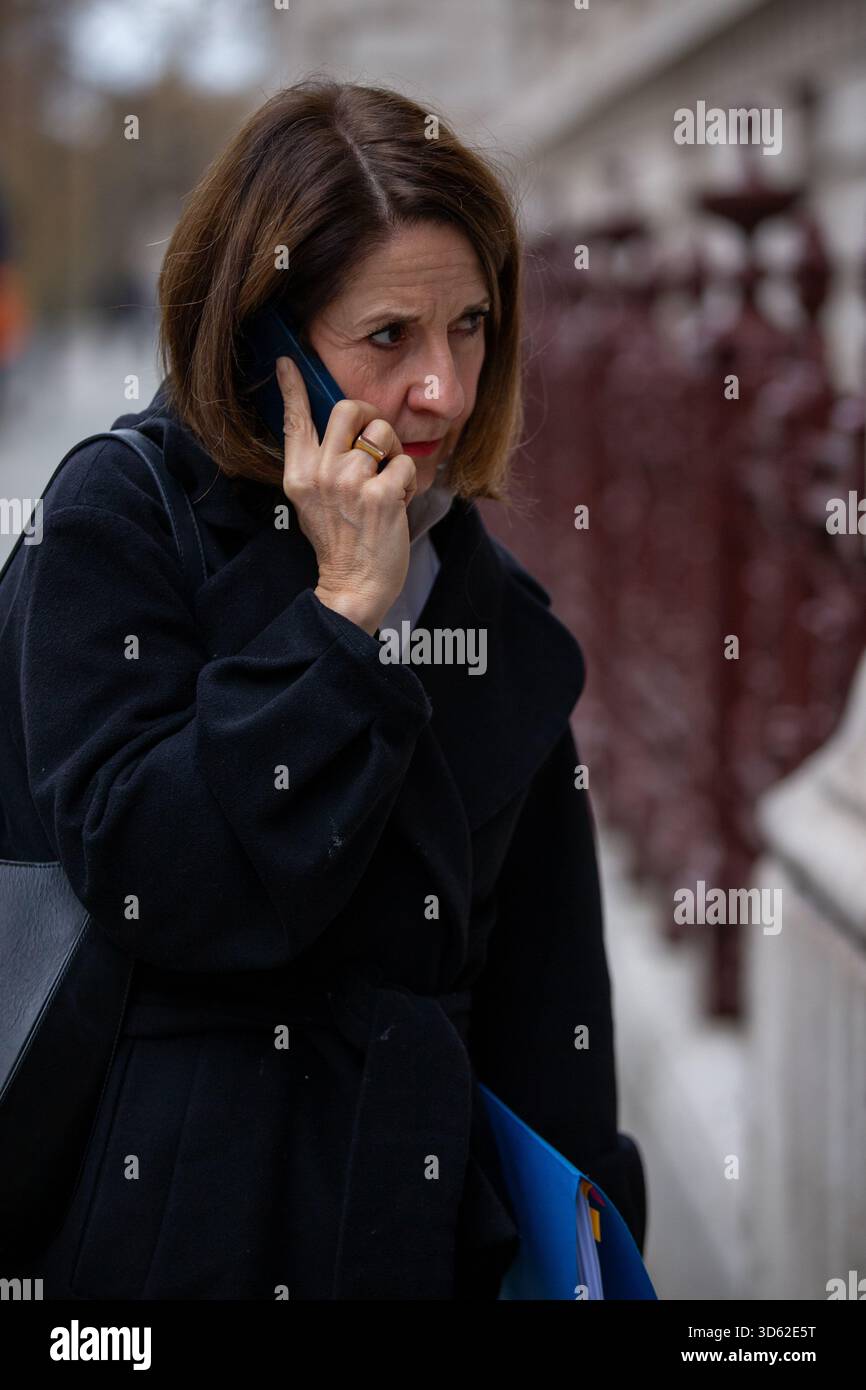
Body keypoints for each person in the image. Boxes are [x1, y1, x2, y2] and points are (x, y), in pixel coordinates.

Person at [0, 78, 646, 1300]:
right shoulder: (118, 521)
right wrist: (338, 619)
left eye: (469, 326)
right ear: (266, 344)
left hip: (424, 1240)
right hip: (165, 1235)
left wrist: (593, 1247)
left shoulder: (485, 603)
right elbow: (153, 871)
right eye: (389, 336)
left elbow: (552, 1016)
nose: (444, 390)